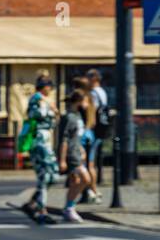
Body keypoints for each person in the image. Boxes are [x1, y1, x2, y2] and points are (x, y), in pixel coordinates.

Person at [21, 75, 59, 225]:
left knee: (53, 175)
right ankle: (42, 210)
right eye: (49, 86)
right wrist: (50, 109)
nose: (50, 89)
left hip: (45, 141)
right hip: (39, 141)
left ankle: (33, 203)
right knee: (45, 175)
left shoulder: (43, 100)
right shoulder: (37, 99)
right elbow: (35, 115)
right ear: (45, 86)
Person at [57, 90, 91, 223]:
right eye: (86, 101)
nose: (88, 105)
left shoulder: (77, 116)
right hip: (71, 155)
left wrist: (82, 149)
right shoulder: (69, 117)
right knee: (85, 179)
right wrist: (62, 159)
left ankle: (69, 208)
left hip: (77, 153)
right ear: (79, 102)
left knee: (76, 181)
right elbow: (64, 140)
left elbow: (76, 137)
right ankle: (69, 207)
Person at [86, 68, 111, 188]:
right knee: (94, 157)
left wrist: (88, 127)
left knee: (89, 161)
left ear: (94, 79)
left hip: (94, 128)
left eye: (89, 78)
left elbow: (93, 111)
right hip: (102, 127)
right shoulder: (102, 91)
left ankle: (92, 189)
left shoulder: (93, 93)